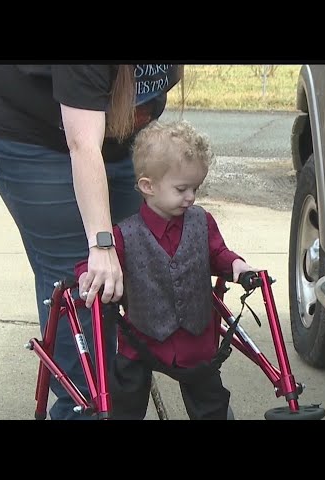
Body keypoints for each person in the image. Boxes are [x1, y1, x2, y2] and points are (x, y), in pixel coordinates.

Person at [0, 65, 184, 420]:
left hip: (119, 136)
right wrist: (101, 244)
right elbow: (83, 144)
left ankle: (117, 399)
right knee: (83, 283)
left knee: (135, 266)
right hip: (33, 137)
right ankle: (81, 408)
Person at [75, 120, 261, 420]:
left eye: (195, 188)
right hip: (141, 339)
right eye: (181, 189)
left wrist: (238, 267)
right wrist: (87, 274)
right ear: (148, 187)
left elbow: (218, 253)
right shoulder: (125, 234)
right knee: (125, 400)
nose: (191, 197)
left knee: (210, 402)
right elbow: (99, 264)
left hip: (194, 339)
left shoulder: (202, 222)